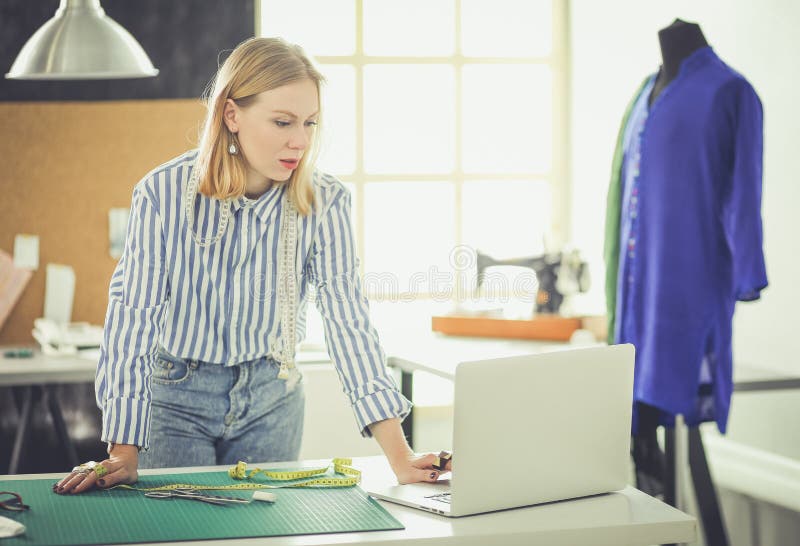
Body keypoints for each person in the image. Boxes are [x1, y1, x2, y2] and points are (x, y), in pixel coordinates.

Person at [54, 37, 451, 495]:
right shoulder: (161, 194)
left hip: (273, 400)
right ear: (232, 115)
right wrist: (123, 451)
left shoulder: (326, 202)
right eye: (282, 122)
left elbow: (349, 323)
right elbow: (133, 318)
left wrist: (399, 456)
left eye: (309, 123)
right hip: (174, 401)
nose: (300, 140)